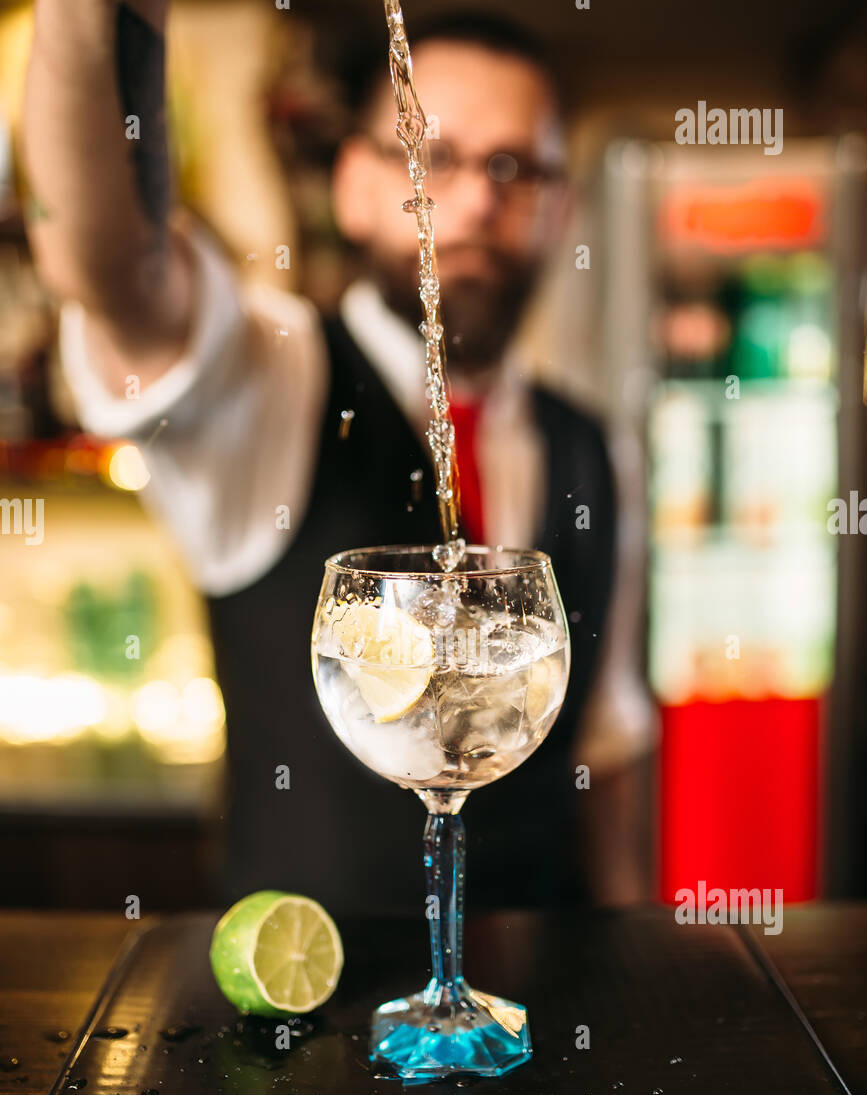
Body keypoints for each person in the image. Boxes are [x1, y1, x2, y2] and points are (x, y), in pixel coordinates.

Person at [23, 2, 621, 916]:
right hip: (308, 1020)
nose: (473, 201)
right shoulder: (271, 376)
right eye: (430, 155)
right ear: (349, 182)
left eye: (516, 167)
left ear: (561, 205)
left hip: (549, 1009)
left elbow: (610, 738)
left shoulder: (595, 443)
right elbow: (115, 269)